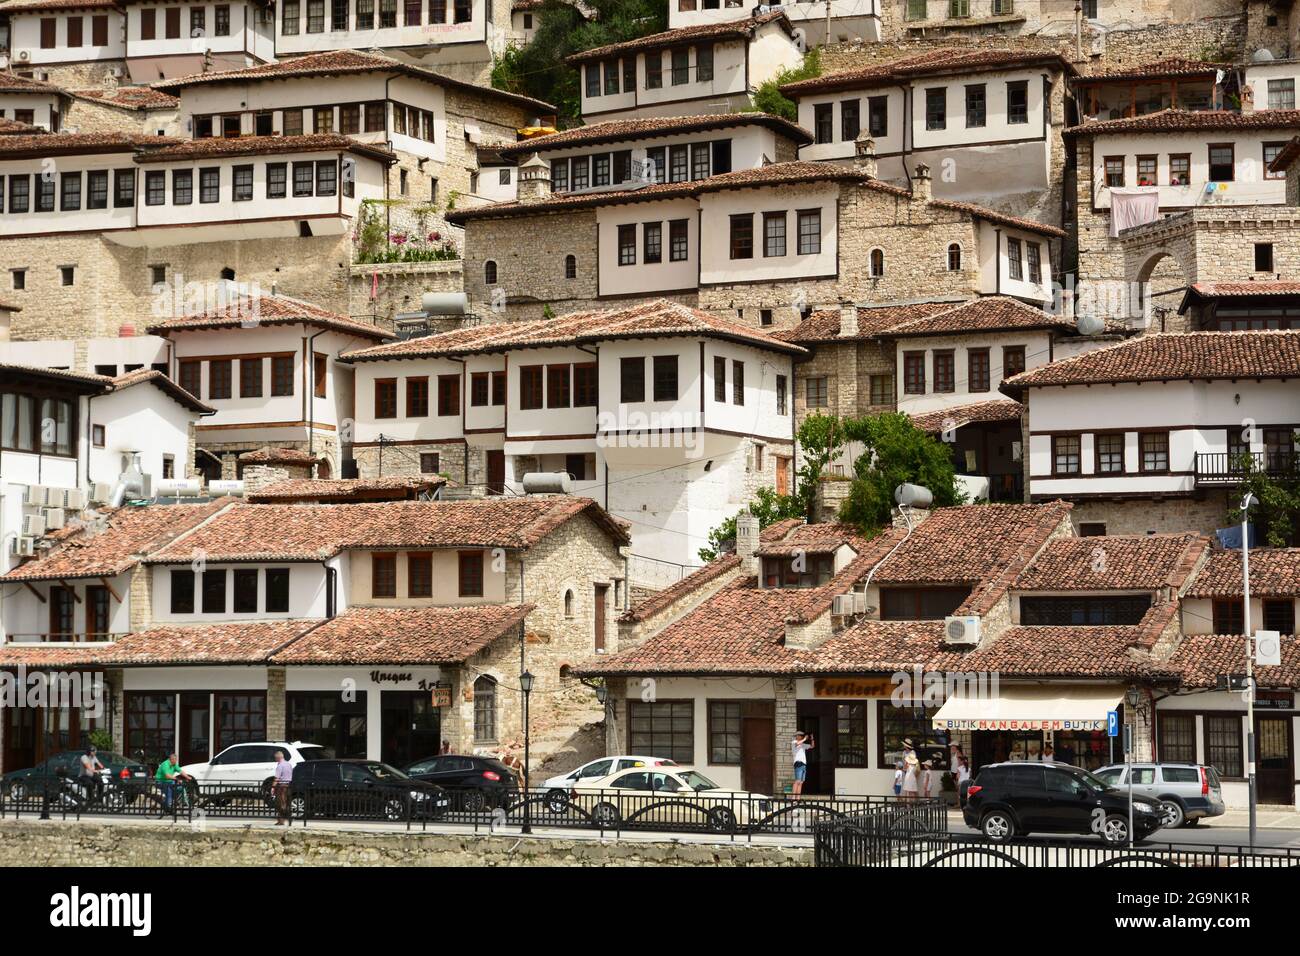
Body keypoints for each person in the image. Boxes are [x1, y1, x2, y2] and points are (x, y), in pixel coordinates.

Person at [155, 752, 182, 817]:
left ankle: (172, 800)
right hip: (160, 781)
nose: (176, 761)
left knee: (180, 787)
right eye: (175, 759)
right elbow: (167, 776)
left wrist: (188, 777)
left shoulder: (174, 764)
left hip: (168, 781)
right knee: (169, 790)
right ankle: (168, 807)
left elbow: (180, 771)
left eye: (176, 759)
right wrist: (176, 779)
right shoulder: (165, 764)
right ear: (171, 759)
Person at [273, 750, 293, 825]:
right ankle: (286, 819)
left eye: (275, 758)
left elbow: (277, 778)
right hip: (289, 785)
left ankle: (282, 820)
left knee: (280, 803)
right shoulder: (289, 764)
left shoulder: (280, 765)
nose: (275, 760)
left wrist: (273, 787)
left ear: (278, 757)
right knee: (286, 803)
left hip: (282, 786)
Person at [791, 731, 814, 799]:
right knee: (797, 781)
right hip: (798, 763)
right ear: (797, 736)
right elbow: (797, 743)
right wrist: (804, 739)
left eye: (802, 736)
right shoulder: (794, 742)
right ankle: (793, 798)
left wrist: (812, 739)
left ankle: (798, 799)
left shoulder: (803, 744)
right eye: (800, 735)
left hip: (803, 764)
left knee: (801, 782)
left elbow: (812, 746)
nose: (801, 736)